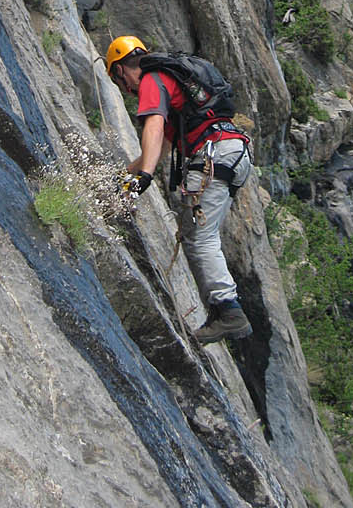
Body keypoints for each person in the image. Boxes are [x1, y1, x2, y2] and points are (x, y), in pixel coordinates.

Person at [105, 35, 253, 344]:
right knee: (199, 234)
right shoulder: (173, 80)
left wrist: (144, 177)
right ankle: (220, 311)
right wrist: (124, 175)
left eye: (120, 83)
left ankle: (229, 312)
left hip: (214, 155)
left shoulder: (151, 78)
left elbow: (154, 126)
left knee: (200, 238)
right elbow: (158, 147)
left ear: (120, 70)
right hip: (232, 152)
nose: (127, 90)